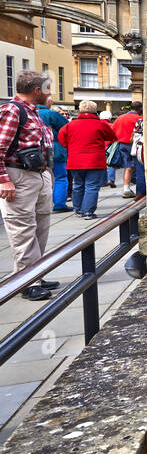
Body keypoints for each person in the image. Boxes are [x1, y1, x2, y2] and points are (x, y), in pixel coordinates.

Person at [0, 70, 61, 301]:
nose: (50, 93)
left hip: (37, 174)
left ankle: (35, 271)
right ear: (37, 90)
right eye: (47, 89)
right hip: (19, 175)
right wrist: (4, 179)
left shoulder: (32, 112)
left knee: (40, 226)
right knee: (23, 229)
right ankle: (27, 281)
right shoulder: (12, 111)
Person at [59, 100, 116, 220]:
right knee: (92, 186)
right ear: (95, 111)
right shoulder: (100, 124)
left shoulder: (70, 125)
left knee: (78, 185)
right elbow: (112, 136)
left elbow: (61, 137)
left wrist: (69, 145)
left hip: (75, 160)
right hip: (95, 160)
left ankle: (78, 209)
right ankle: (88, 211)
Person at [38, 102, 70, 213]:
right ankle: (59, 204)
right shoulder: (50, 114)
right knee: (60, 177)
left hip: (32, 151)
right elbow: (67, 128)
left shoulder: (27, 112)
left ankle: (40, 204)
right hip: (54, 149)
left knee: (38, 178)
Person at [112, 102, 142, 196]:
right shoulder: (139, 118)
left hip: (122, 144)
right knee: (139, 167)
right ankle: (141, 191)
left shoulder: (120, 118)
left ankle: (126, 189)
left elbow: (112, 131)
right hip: (135, 145)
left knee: (127, 167)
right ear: (140, 109)